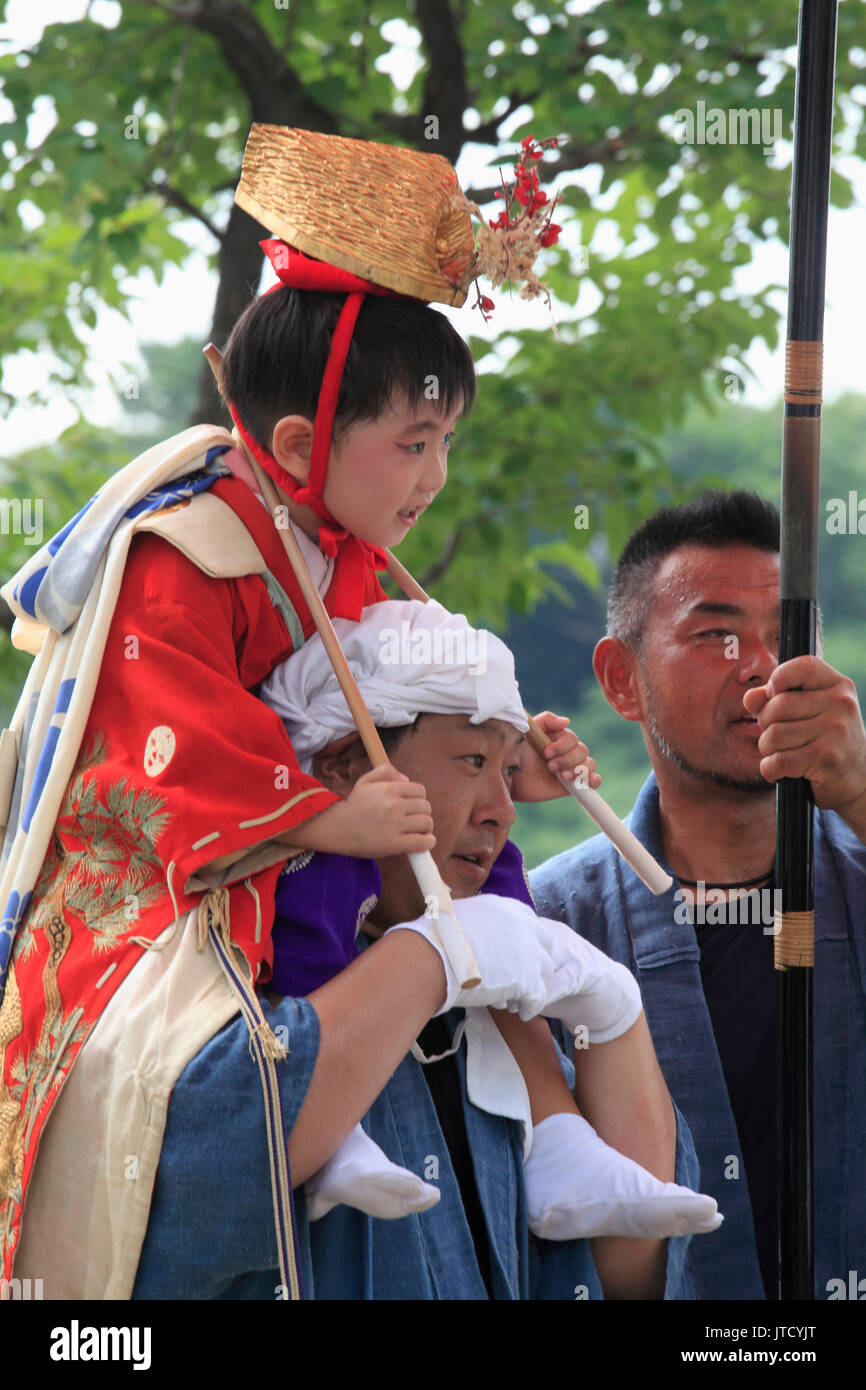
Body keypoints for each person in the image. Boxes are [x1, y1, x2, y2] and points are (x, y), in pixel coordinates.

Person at [259, 595, 723, 1243]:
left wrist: (614, 1013)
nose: (501, 810)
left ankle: (560, 1140)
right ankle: (341, 1142)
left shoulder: (480, 887)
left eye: (509, 770)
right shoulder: (224, 973)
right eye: (473, 761)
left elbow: (626, 1273)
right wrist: (424, 959)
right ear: (341, 764)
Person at [529, 489, 866, 1300]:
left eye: (786, 636)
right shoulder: (549, 928)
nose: (760, 664)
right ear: (623, 681)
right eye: (716, 635)